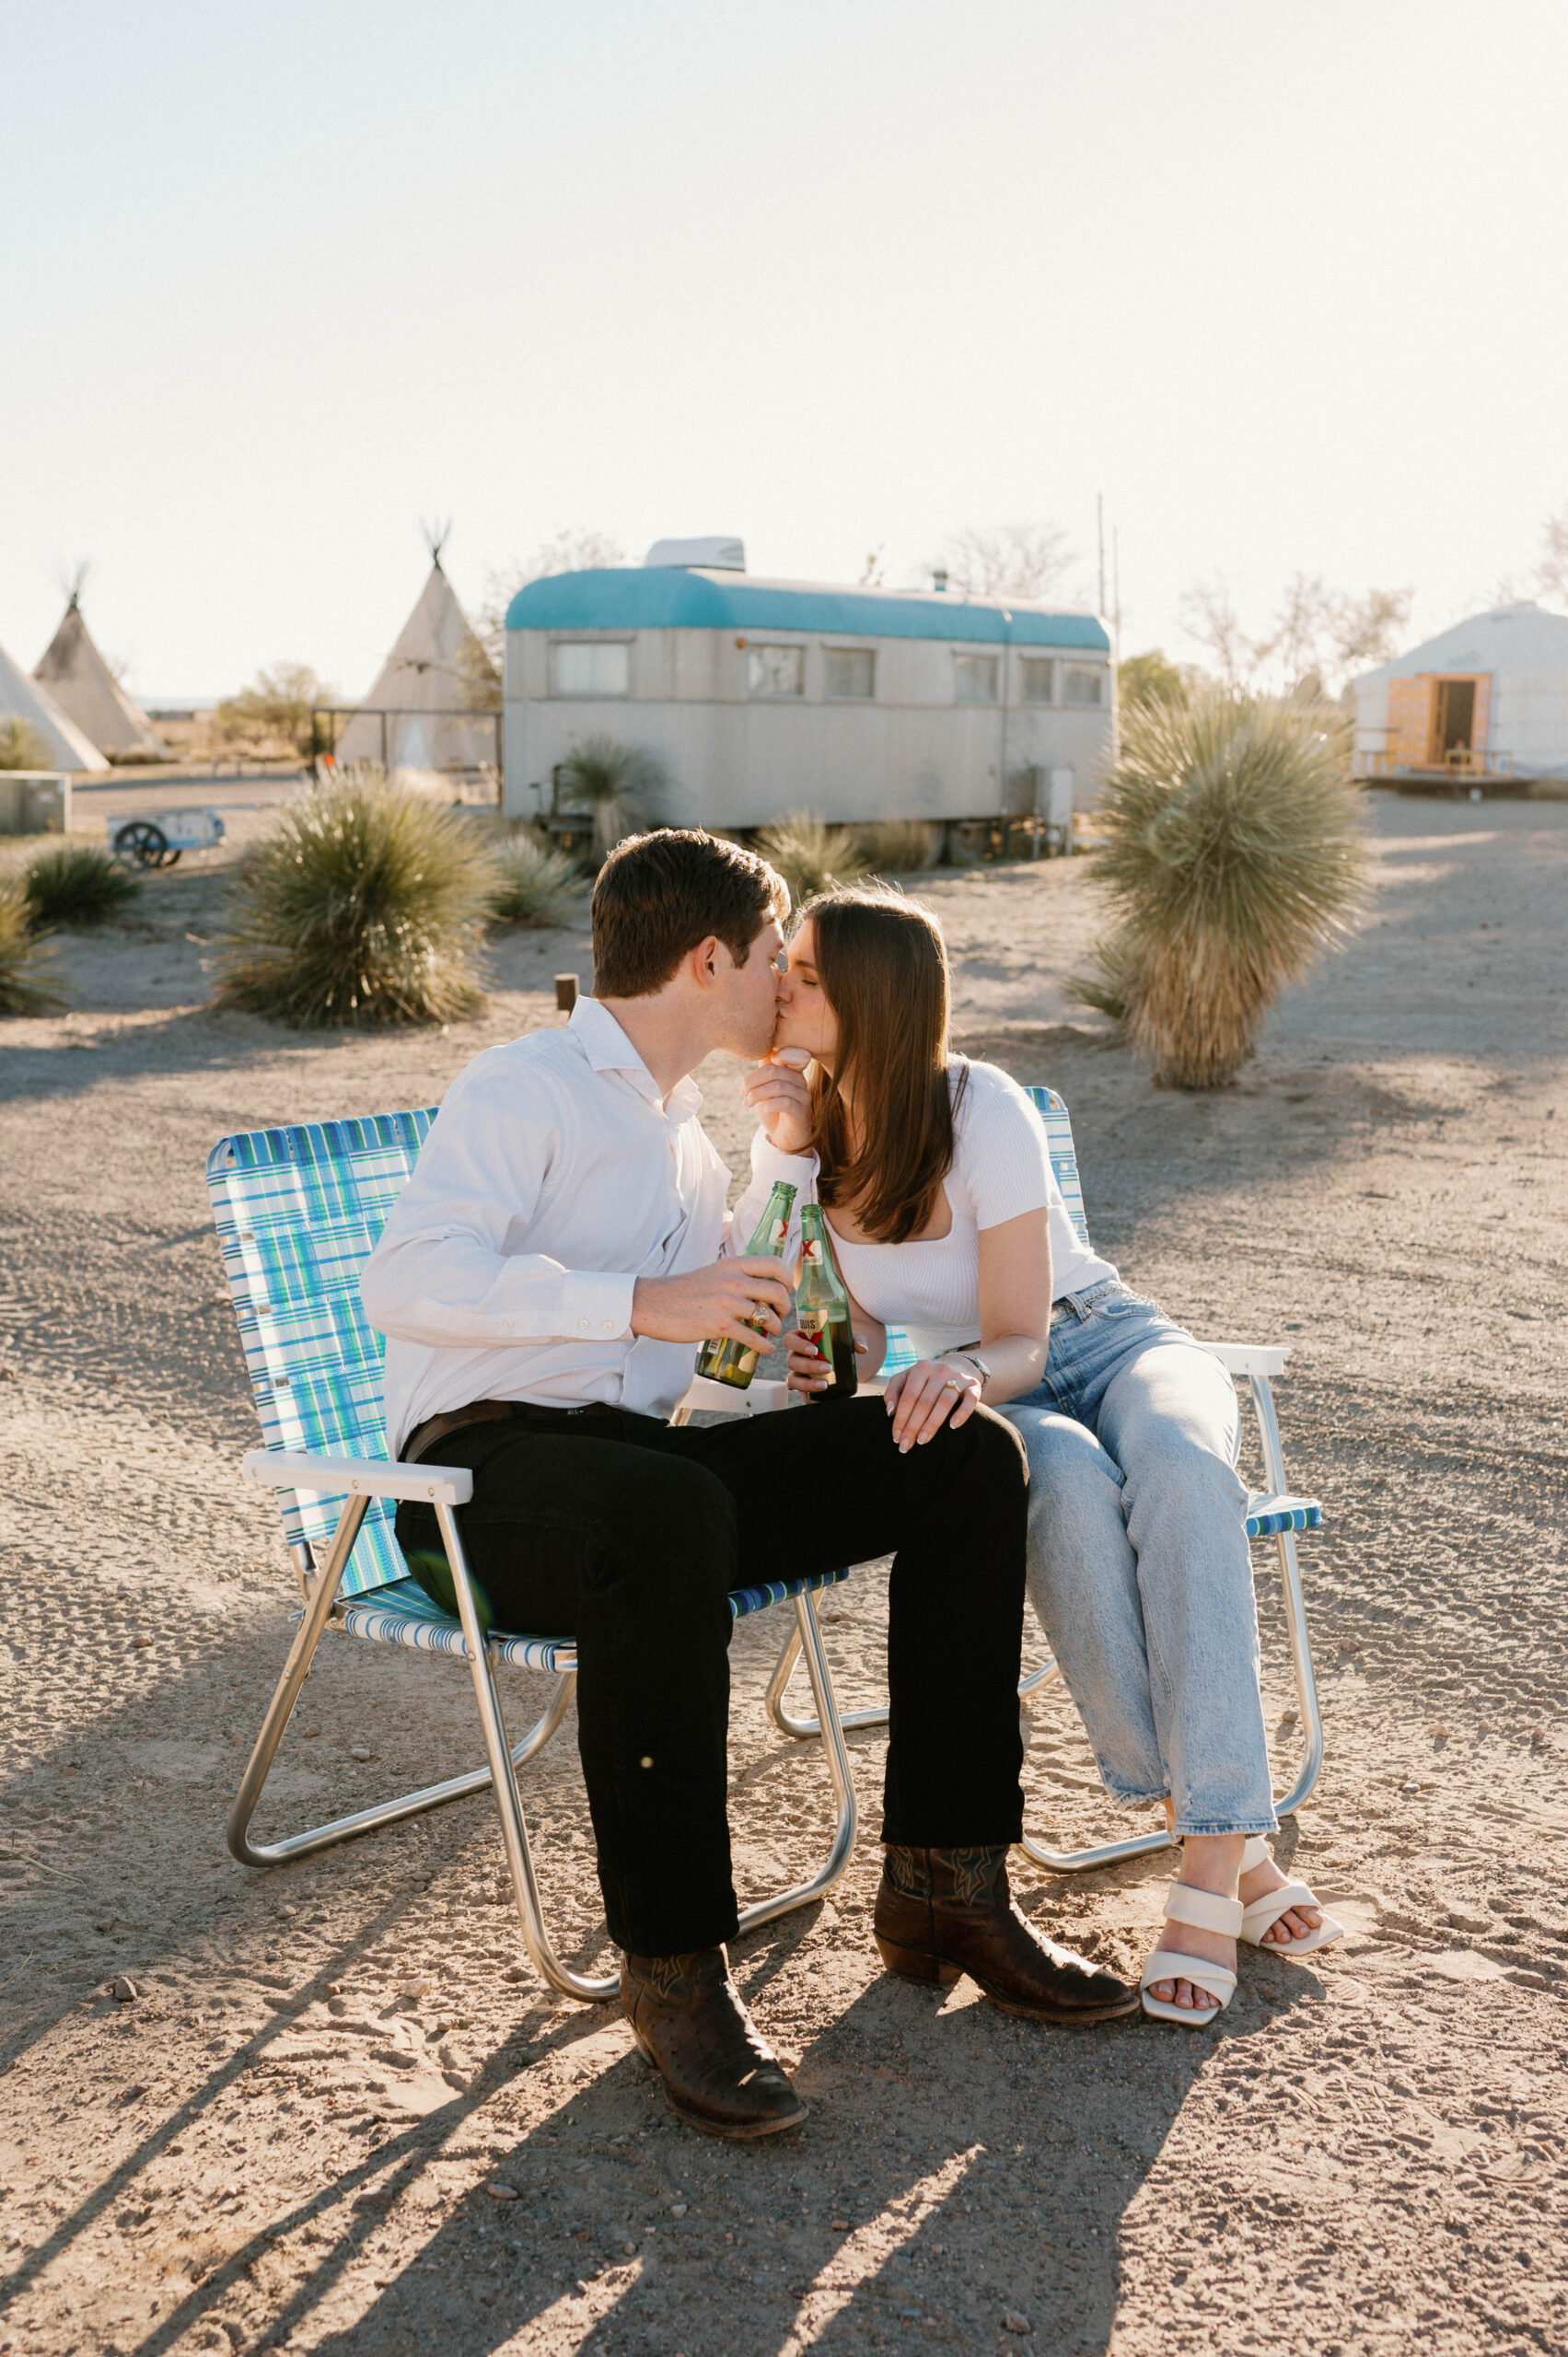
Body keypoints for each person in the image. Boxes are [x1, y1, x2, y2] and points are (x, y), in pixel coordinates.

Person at [361, 830, 1136, 2142]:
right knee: (666, 1509)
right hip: (474, 1482)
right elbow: (408, 1280)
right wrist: (647, 1302)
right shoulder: (523, 1087)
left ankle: (945, 1880)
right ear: (707, 959)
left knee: (958, 1455)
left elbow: (723, 1383)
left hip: (649, 1473)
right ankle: (670, 1968)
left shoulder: (691, 1144)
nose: (786, 981)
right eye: (775, 955)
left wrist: (780, 1329)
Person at [752, 883, 1344, 2028]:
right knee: (1062, 1493)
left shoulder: (981, 1105)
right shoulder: (806, 1133)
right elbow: (854, 1331)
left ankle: (1209, 1864)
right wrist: (829, 1344)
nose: (784, 982)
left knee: (1179, 1466)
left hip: (1096, 1341)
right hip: (987, 1381)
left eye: (810, 973)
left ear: (873, 997)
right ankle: (1233, 1844)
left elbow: (1022, 1334)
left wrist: (963, 1370)